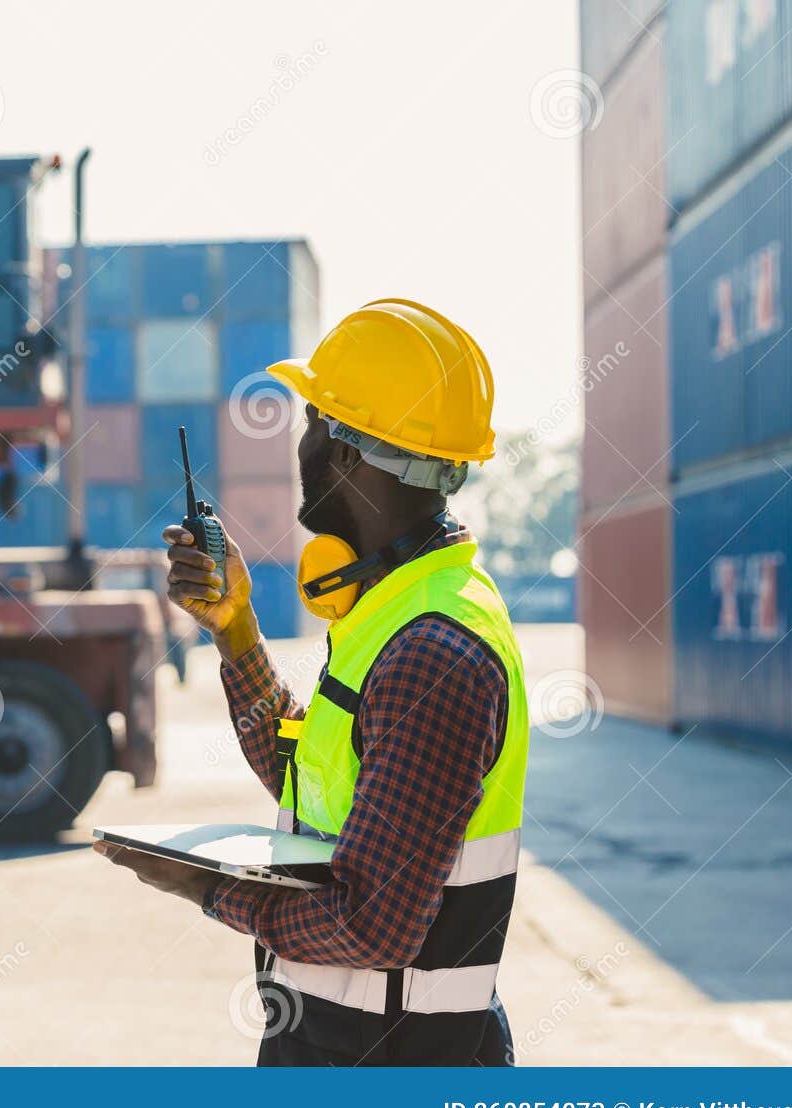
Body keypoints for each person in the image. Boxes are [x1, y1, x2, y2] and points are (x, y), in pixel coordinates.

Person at [95, 298, 528, 1067]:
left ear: (346, 452)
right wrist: (236, 631)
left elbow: (372, 928)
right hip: (347, 1046)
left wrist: (200, 886)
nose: (301, 441)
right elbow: (311, 777)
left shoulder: (433, 652)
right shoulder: (399, 611)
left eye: (312, 419)